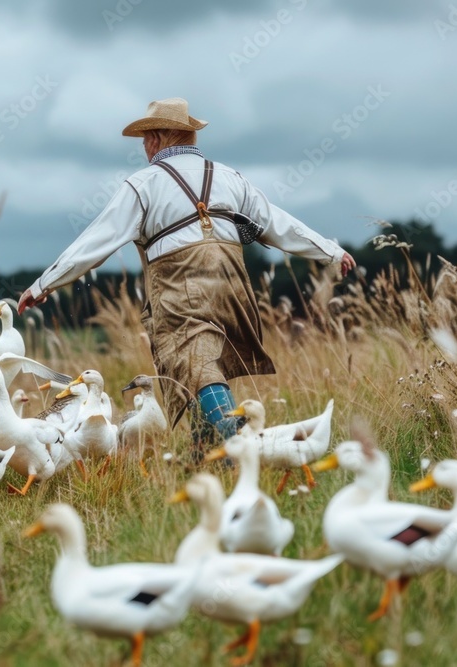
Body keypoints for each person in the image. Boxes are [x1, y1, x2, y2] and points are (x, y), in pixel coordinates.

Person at [18, 98, 355, 456]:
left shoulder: (143, 183)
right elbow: (275, 222)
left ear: (160, 136)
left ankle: (236, 441)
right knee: (203, 368)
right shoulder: (229, 176)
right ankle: (203, 456)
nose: (144, 147)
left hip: (180, 287)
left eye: (146, 138)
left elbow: (95, 242)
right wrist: (329, 250)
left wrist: (45, 284)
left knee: (194, 363)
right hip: (233, 285)